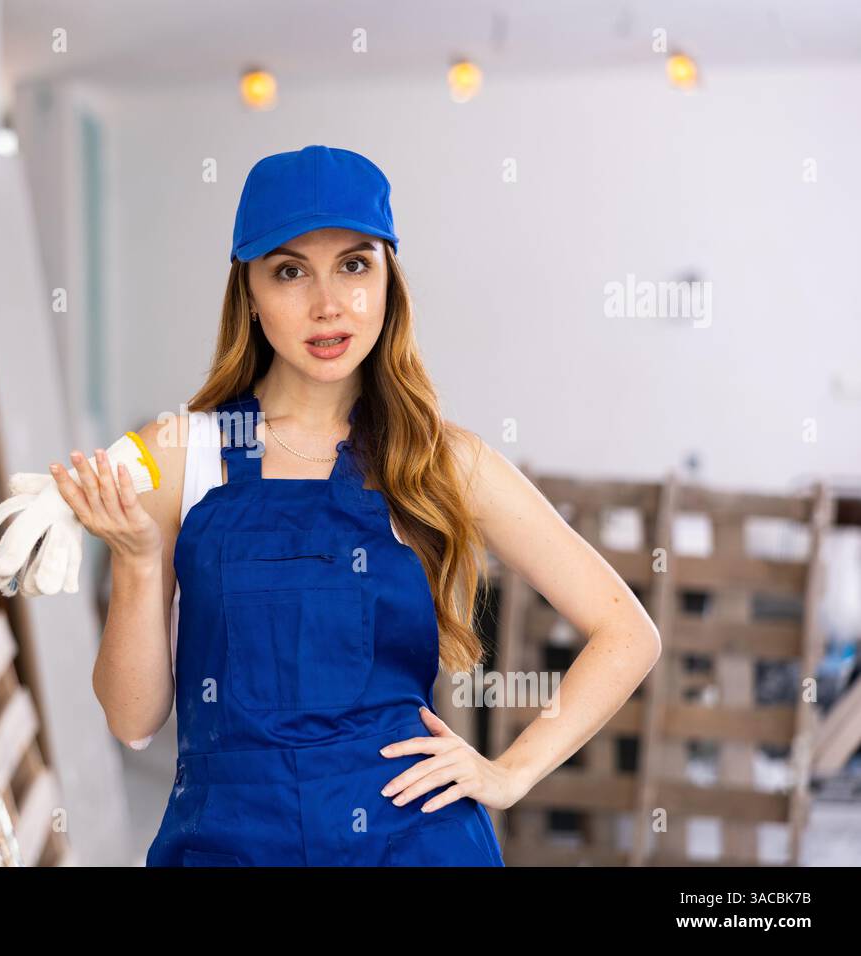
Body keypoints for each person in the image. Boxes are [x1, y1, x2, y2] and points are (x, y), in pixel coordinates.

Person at [46, 144, 661, 866]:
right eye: (289, 271)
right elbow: (131, 717)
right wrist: (139, 563)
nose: (328, 303)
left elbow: (628, 633)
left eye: (354, 264)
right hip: (225, 846)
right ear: (248, 291)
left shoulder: (440, 460)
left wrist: (509, 772)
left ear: (388, 283)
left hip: (413, 843)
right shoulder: (181, 451)